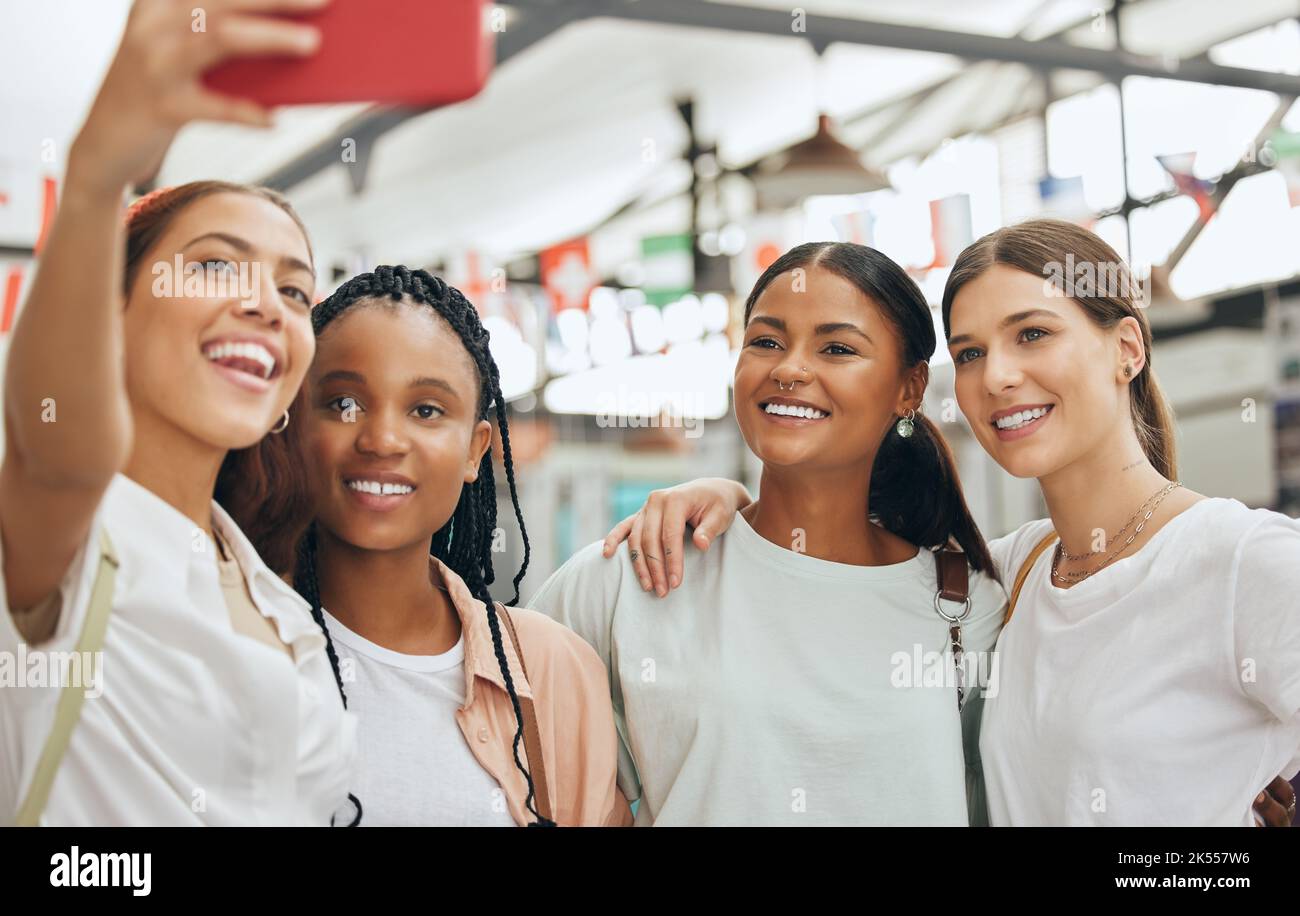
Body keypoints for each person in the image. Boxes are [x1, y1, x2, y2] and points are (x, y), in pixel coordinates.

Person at [603, 221, 1300, 827]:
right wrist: (724, 497)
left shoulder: (1242, 562)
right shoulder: (1011, 577)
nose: (997, 375)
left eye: (1032, 334)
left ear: (1127, 348)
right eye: (969, 353)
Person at [0, 0, 358, 826]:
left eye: (295, 289)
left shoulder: (280, 598)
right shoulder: (68, 538)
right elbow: (57, 454)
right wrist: (96, 175)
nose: (266, 305)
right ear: (108, 317)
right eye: (215, 268)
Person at [528, 242, 1007, 825]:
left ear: (909, 389)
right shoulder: (630, 578)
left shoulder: (971, 608)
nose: (789, 369)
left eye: (836, 348)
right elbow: (512, 763)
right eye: (766, 342)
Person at [229, 266, 631, 826]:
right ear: (294, 425)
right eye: (345, 403)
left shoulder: (553, 671)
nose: (383, 440)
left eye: (426, 410)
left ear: (475, 449)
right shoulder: (223, 639)